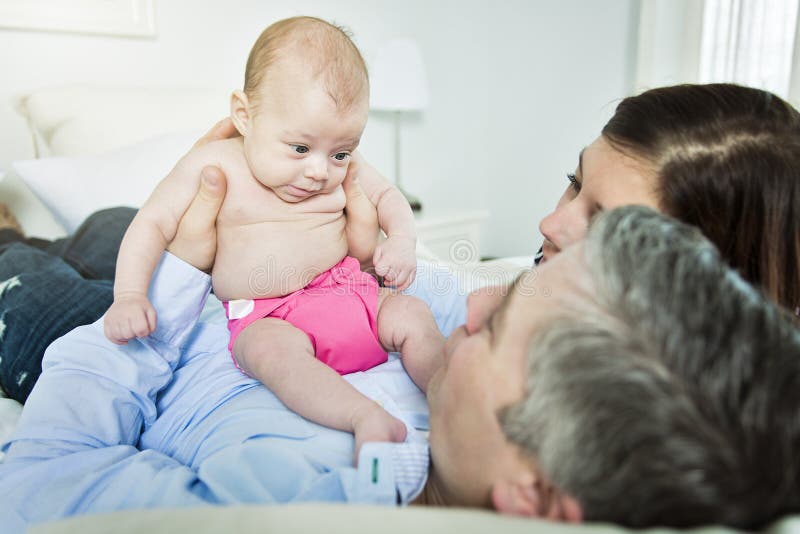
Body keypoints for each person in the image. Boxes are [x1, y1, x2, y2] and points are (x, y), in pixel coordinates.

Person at [2, 202, 800, 533]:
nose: (478, 313)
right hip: (220, 307)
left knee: (24, 264)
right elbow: (444, 298)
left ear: (537, 496)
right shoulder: (447, 430)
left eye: (501, 328)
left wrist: (169, 288)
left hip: (136, 340)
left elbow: (36, 484)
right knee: (104, 224)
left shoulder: (292, 497)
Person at [103, 16, 442, 457]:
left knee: (412, 314)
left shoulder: (340, 159)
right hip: (269, 315)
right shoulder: (216, 163)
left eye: (339, 153)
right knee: (269, 354)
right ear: (245, 115)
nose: (320, 170)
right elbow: (151, 222)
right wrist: (129, 294)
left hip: (350, 291)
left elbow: (389, 196)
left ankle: (451, 394)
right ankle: (363, 416)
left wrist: (400, 241)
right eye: (300, 149)